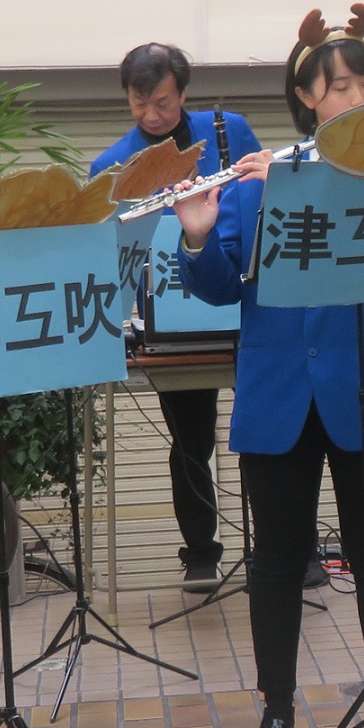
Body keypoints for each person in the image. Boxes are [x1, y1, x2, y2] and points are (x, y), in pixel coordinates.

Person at [172, 9, 364, 728]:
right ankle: (277, 710)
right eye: (337, 86)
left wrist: (298, 174)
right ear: (306, 96)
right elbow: (219, 289)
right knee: (277, 559)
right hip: (278, 387)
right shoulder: (254, 182)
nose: (354, 96)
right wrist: (195, 231)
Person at [89, 41, 264, 592]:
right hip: (172, 315)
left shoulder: (227, 129)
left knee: (269, 427)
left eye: (162, 102)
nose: (151, 116)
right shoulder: (111, 164)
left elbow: (265, 202)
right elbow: (106, 252)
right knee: (192, 440)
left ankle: (290, 550)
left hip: (246, 299)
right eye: (139, 104)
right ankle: (200, 552)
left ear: (183, 93)